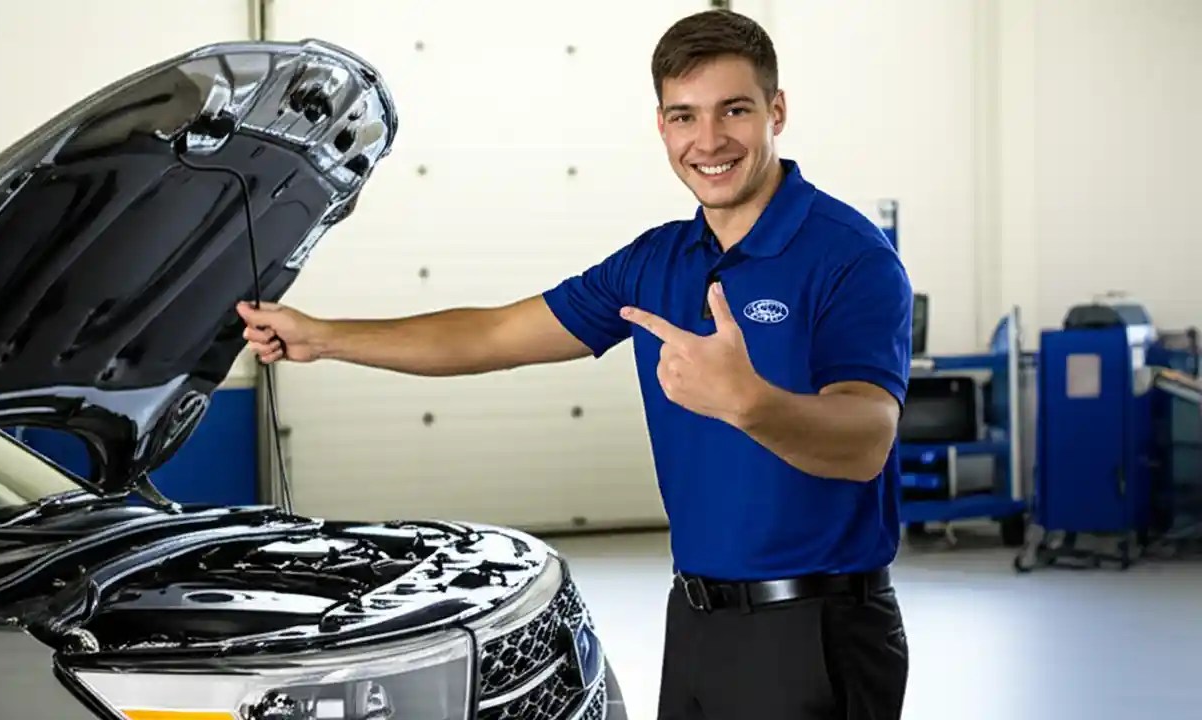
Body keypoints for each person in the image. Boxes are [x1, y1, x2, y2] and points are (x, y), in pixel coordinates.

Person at [238, 8, 911, 719]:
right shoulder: (657, 262)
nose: (708, 140)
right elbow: (493, 335)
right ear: (661, 126)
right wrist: (325, 336)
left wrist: (749, 401)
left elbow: (867, 440)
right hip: (697, 621)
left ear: (776, 110)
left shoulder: (850, 255)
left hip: (817, 632)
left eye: (734, 111)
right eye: (684, 116)